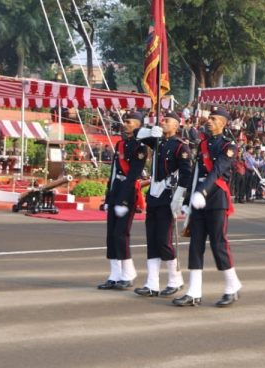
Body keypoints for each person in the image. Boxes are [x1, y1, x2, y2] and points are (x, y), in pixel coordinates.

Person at [173, 107, 242, 308]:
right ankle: (194, 292)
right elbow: (196, 174)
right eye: (209, 118)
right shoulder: (203, 144)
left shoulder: (228, 146)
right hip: (198, 198)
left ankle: (232, 286)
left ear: (223, 123)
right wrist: (187, 200)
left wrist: (202, 192)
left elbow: (217, 171)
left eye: (213, 118)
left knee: (218, 243)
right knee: (195, 244)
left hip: (216, 198)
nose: (209, 121)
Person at [134, 111, 192, 298]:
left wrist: (179, 198)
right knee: (152, 240)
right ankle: (152, 283)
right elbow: (136, 134)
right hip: (153, 195)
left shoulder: (180, 146)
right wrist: (151, 130)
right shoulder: (158, 140)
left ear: (176, 125)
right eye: (163, 120)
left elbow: (186, 174)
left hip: (168, 195)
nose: (163, 122)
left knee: (164, 240)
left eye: (167, 121)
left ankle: (175, 280)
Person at [98, 111, 147, 291]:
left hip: (128, 193)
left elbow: (133, 174)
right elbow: (113, 173)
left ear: (138, 125)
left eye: (129, 122)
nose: (125, 124)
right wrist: (108, 197)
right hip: (116, 190)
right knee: (111, 235)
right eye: (125, 121)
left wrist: (123, 199)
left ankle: (128, 273)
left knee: (121, 234)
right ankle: (114, 275)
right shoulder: (120, 144)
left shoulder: (140, 147)